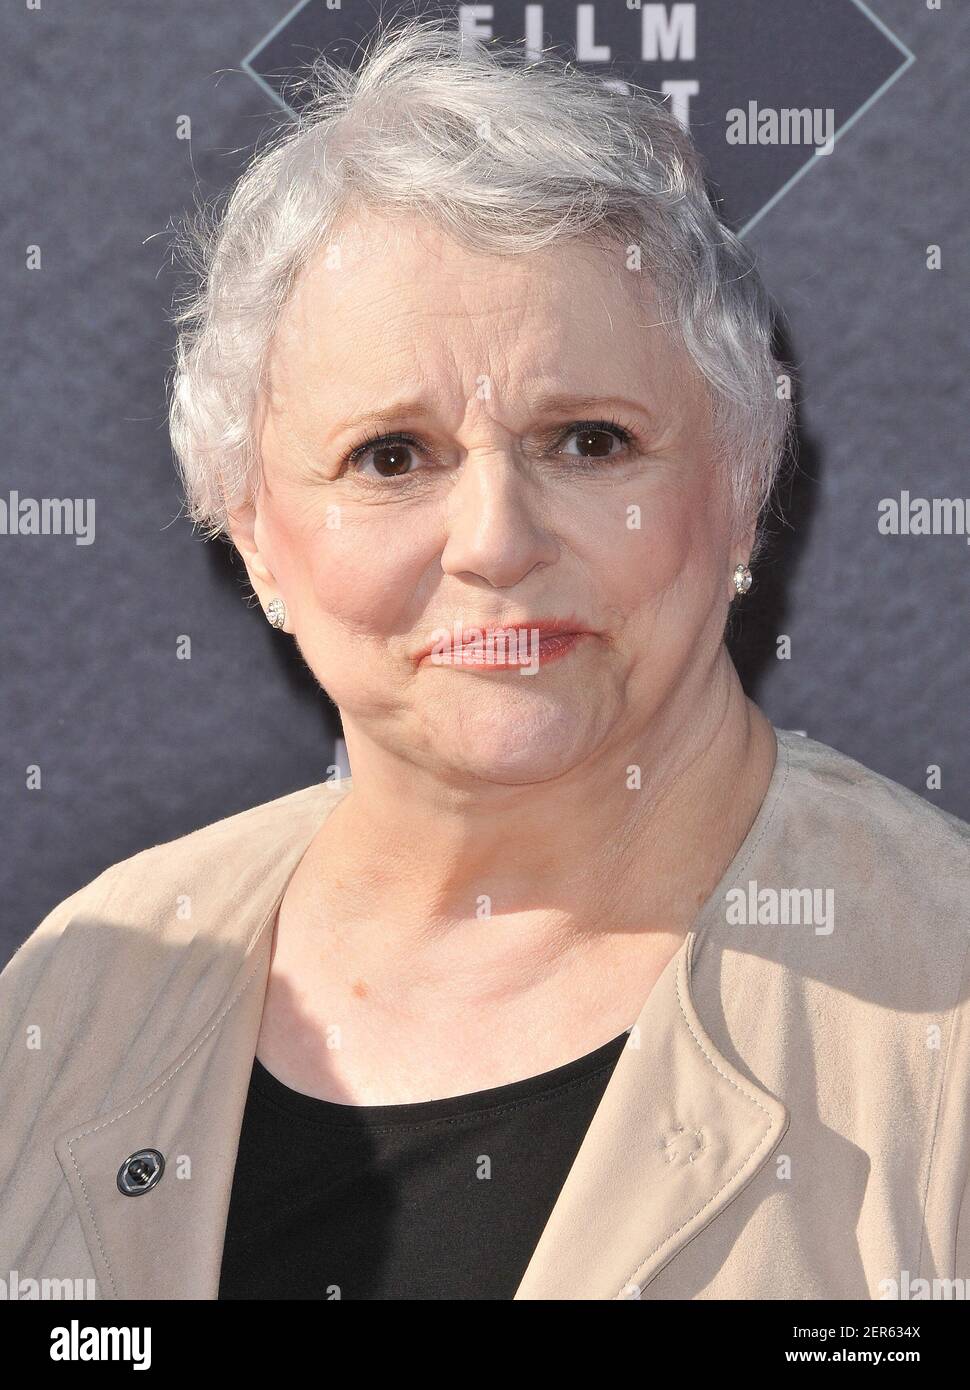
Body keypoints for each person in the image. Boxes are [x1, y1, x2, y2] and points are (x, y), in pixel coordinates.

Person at [1, 16, 968, 1302]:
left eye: (589, 442)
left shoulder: (940, 1021)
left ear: (741, 483)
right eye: (389, 457)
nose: (497, 541)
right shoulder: (86, 987)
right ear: (255, 536)